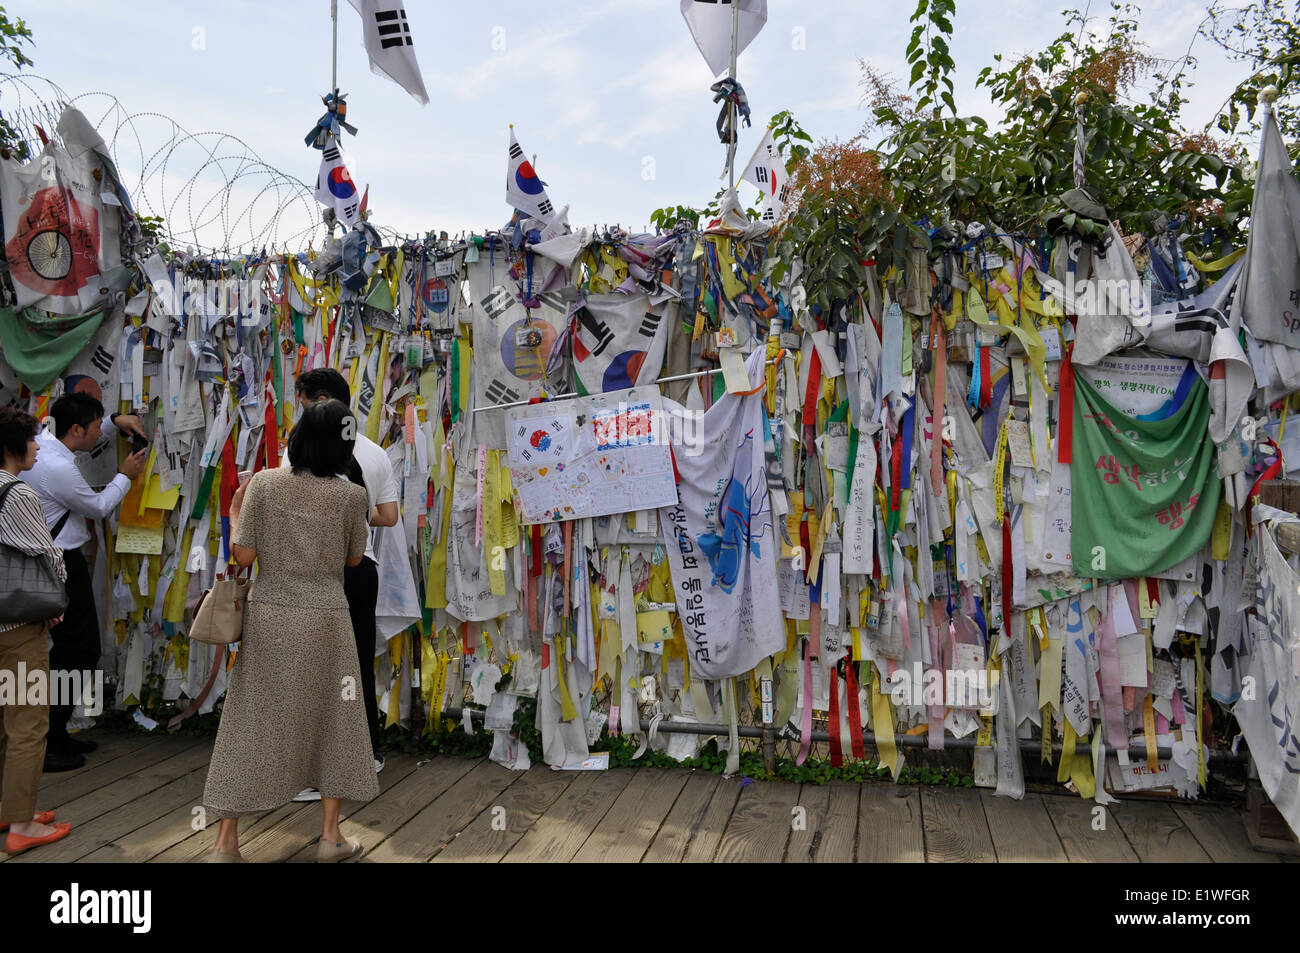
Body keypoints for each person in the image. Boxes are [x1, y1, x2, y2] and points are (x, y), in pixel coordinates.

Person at [203, 399, 379, 862]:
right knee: (335, 720)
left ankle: (225, 842)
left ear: (299, 437)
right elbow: (354, 561)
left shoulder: (263, 484)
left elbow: (242, 558)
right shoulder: (352, 497)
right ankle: (330, 838)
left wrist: (239, 514)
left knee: (249, 720)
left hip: (271, 615)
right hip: (327, 617)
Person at [20, 393, 148, 771]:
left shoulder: (46, 438)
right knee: (79, 650)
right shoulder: (57, 467)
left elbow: (82, 432)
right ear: (76, 429)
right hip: (60, 563)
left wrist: (113, 420)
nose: (98, 435)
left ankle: (53, 733)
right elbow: (97, 507)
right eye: (94, 428)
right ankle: (48, 739)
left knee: (64, 650)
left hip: (49, 559)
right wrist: (126, 475)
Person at [283, 368, 399, 787]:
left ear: (316, 403)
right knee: (357, 662)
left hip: (312, 568)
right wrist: (352, 510)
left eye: (302, 401)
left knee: (311, 665)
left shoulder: (296, 453)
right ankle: (366, 751)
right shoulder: (376, 453)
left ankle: (314, 763)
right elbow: (389, 516)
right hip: (360, 568)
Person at [0, 407, 73, 854]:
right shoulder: (18, 493)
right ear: (13, 446)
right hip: (15, 623)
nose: (37, 448)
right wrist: (55, 600)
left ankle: (7, 807)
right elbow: (49, 555)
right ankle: (23, 825)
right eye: (32, 440)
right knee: (27, 722)